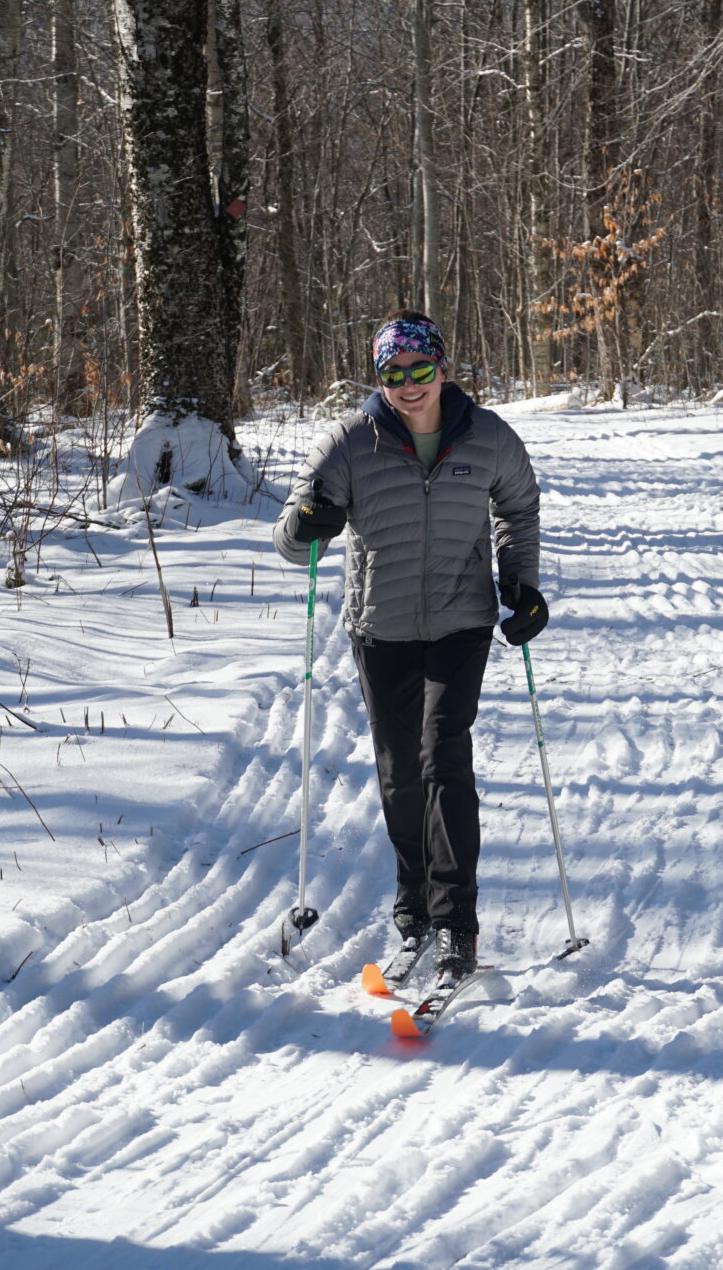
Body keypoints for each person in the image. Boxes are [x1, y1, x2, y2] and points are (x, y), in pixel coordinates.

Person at [273, 310, 547, 987]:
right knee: (399, 774)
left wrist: (523, 582)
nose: (408, 384)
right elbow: (289, 538)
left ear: (442, 367)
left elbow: (520, 504)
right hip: (382, 630)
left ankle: (457, 922)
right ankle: (414, 912)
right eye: (392, 374)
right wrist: (309, 524)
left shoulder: (487, 437)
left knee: (442, 754)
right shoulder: (348, 443)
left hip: (461, 623)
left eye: (420, 369)